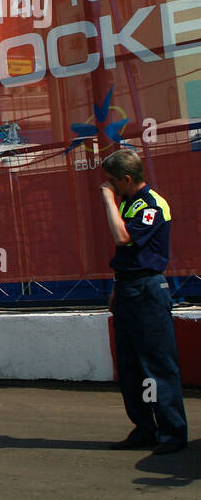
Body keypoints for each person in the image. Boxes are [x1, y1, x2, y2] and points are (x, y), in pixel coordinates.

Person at [100, 149, 187, 454]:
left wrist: (108, 200)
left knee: (157, 364)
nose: (108, 186)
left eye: (112, 181)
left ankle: (172, 432)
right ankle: (144, 427)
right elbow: (125, 255)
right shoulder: (130, 202)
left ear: (126, 178)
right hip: (126, 288)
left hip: (147, 290)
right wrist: (115, 287)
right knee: (130, 364)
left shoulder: (151, 205)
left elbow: (122, 238)